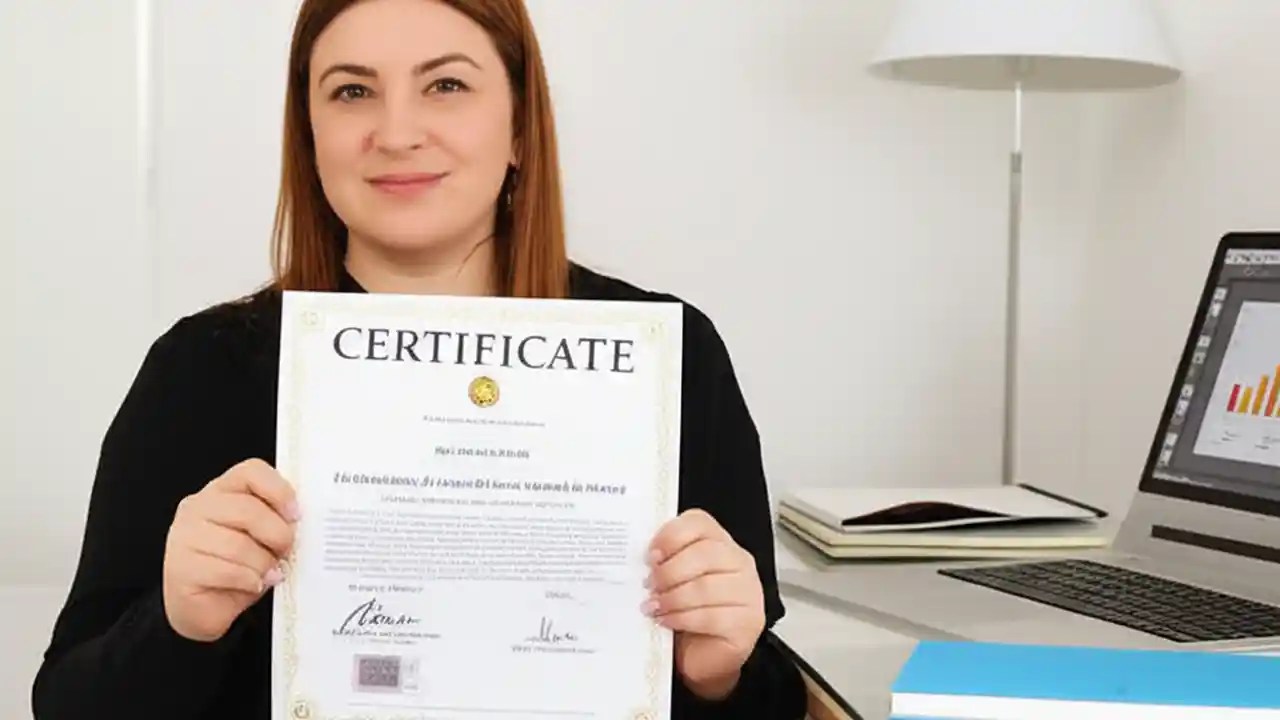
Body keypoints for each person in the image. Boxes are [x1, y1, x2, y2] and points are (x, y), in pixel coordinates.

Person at [30, 0, 808, 718]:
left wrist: (718, 673)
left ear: (520, 128)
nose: (397, 132)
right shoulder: (199, 371)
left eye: (445, 85)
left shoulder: (668, 360)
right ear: (310, 134)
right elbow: (69, 703)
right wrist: (176, 625)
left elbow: (772, 699)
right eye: (352, 92)